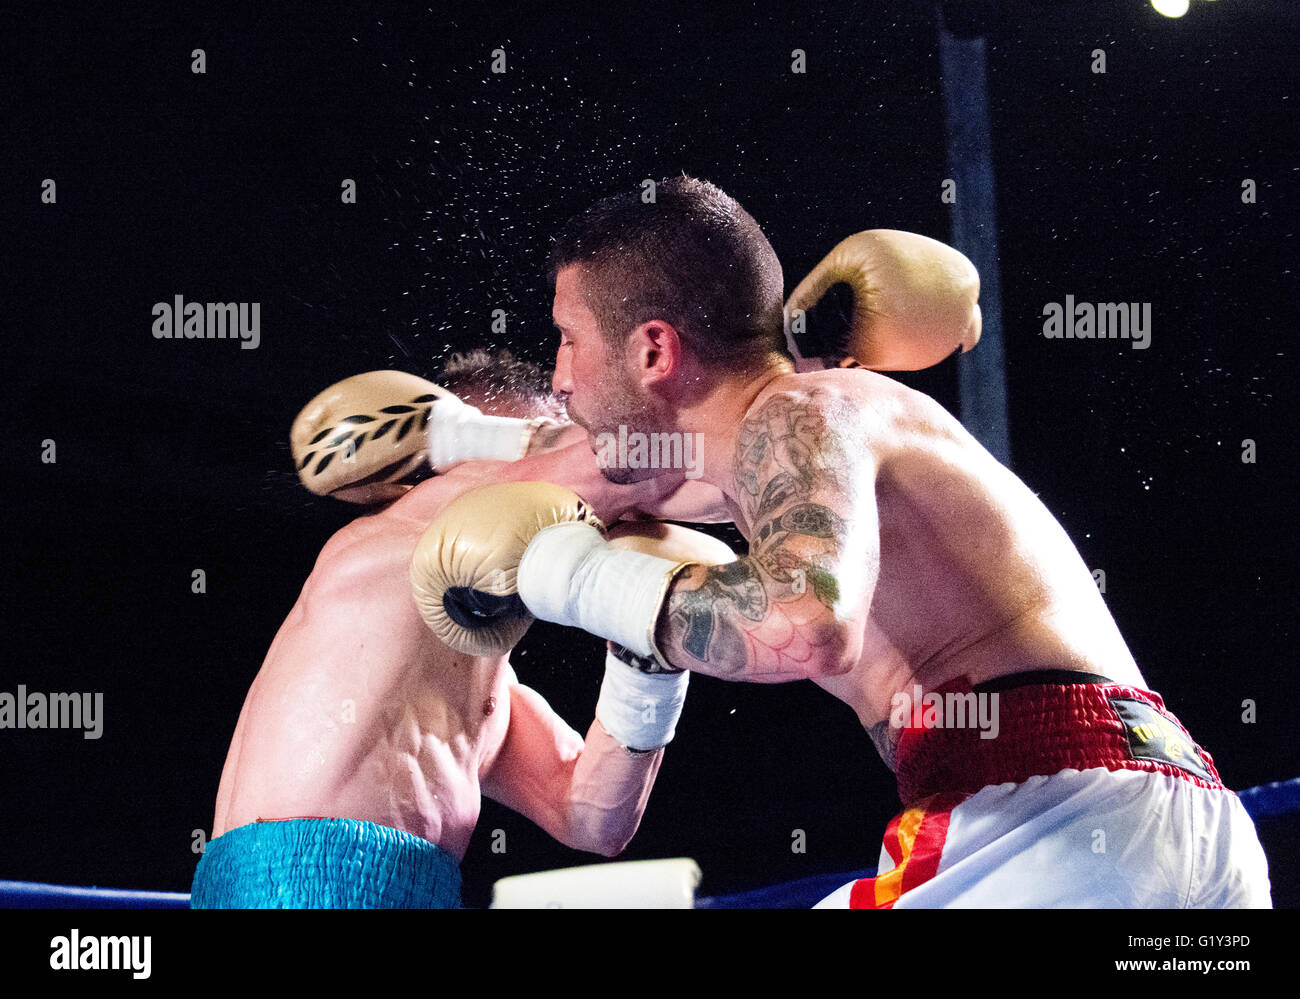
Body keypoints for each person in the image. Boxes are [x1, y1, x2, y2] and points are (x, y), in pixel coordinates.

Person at [415, 176, 1272, 908]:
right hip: (1160, 823)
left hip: (1054, 824)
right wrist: (444, 440)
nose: (559, 377)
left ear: (653, 349)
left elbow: (805, 619)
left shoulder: (803, 416)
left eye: (568, 339)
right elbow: (604, 467)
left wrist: (568, 573)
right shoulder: (794, 434)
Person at [191, 350, 734, 908]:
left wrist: (646, 651)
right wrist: (791, 396)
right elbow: (673, 464)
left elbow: (591, 819)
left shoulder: (473, 686)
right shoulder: (390, 541)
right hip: (304, 881)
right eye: (561, 439)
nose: (598, 512)